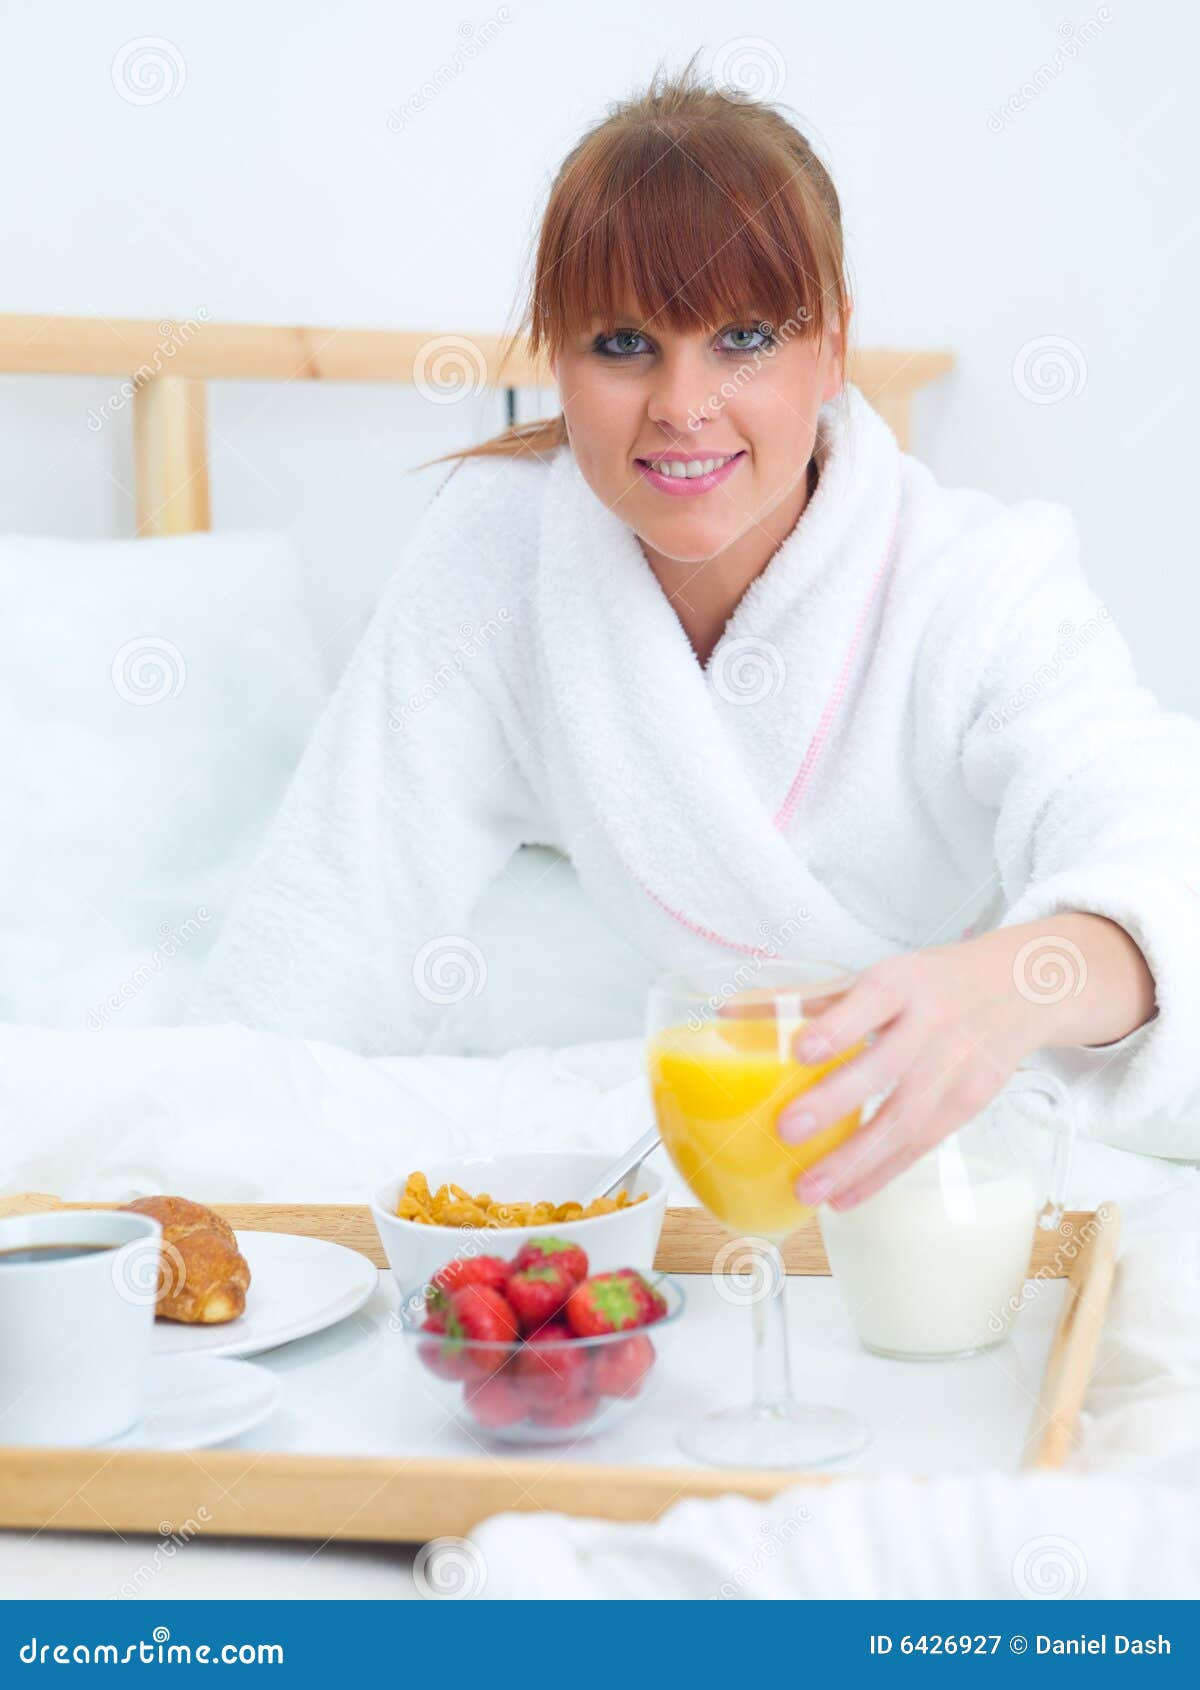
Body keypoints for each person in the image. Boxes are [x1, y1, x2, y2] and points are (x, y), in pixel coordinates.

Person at [186, 63, 1200, 1203]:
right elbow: (327, 927)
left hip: (961, 1156)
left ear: (833, 351)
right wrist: (219, 1170)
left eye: (746, 338)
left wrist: (1002, 986)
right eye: (623, 343)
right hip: (711, 1150)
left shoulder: (979, 584)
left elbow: (1156, 834)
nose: (680, 403)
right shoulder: (497, 554)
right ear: (556, 359)